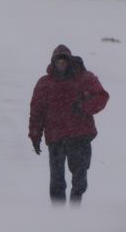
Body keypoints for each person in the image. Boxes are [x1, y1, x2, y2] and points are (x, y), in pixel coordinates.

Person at [28, 44, 109, 204]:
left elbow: (101, 97)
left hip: (80, 137)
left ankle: (74, 213)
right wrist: (35, 135)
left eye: (64, 60)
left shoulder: (84, 78)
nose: (61, 64)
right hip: (56, 138)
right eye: (58, 61)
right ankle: (59, 220)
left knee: (79, 181)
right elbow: (36, 111)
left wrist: (83, 106)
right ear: (53, 62)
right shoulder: (45, 84)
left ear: (69, 61)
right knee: (57, 183)